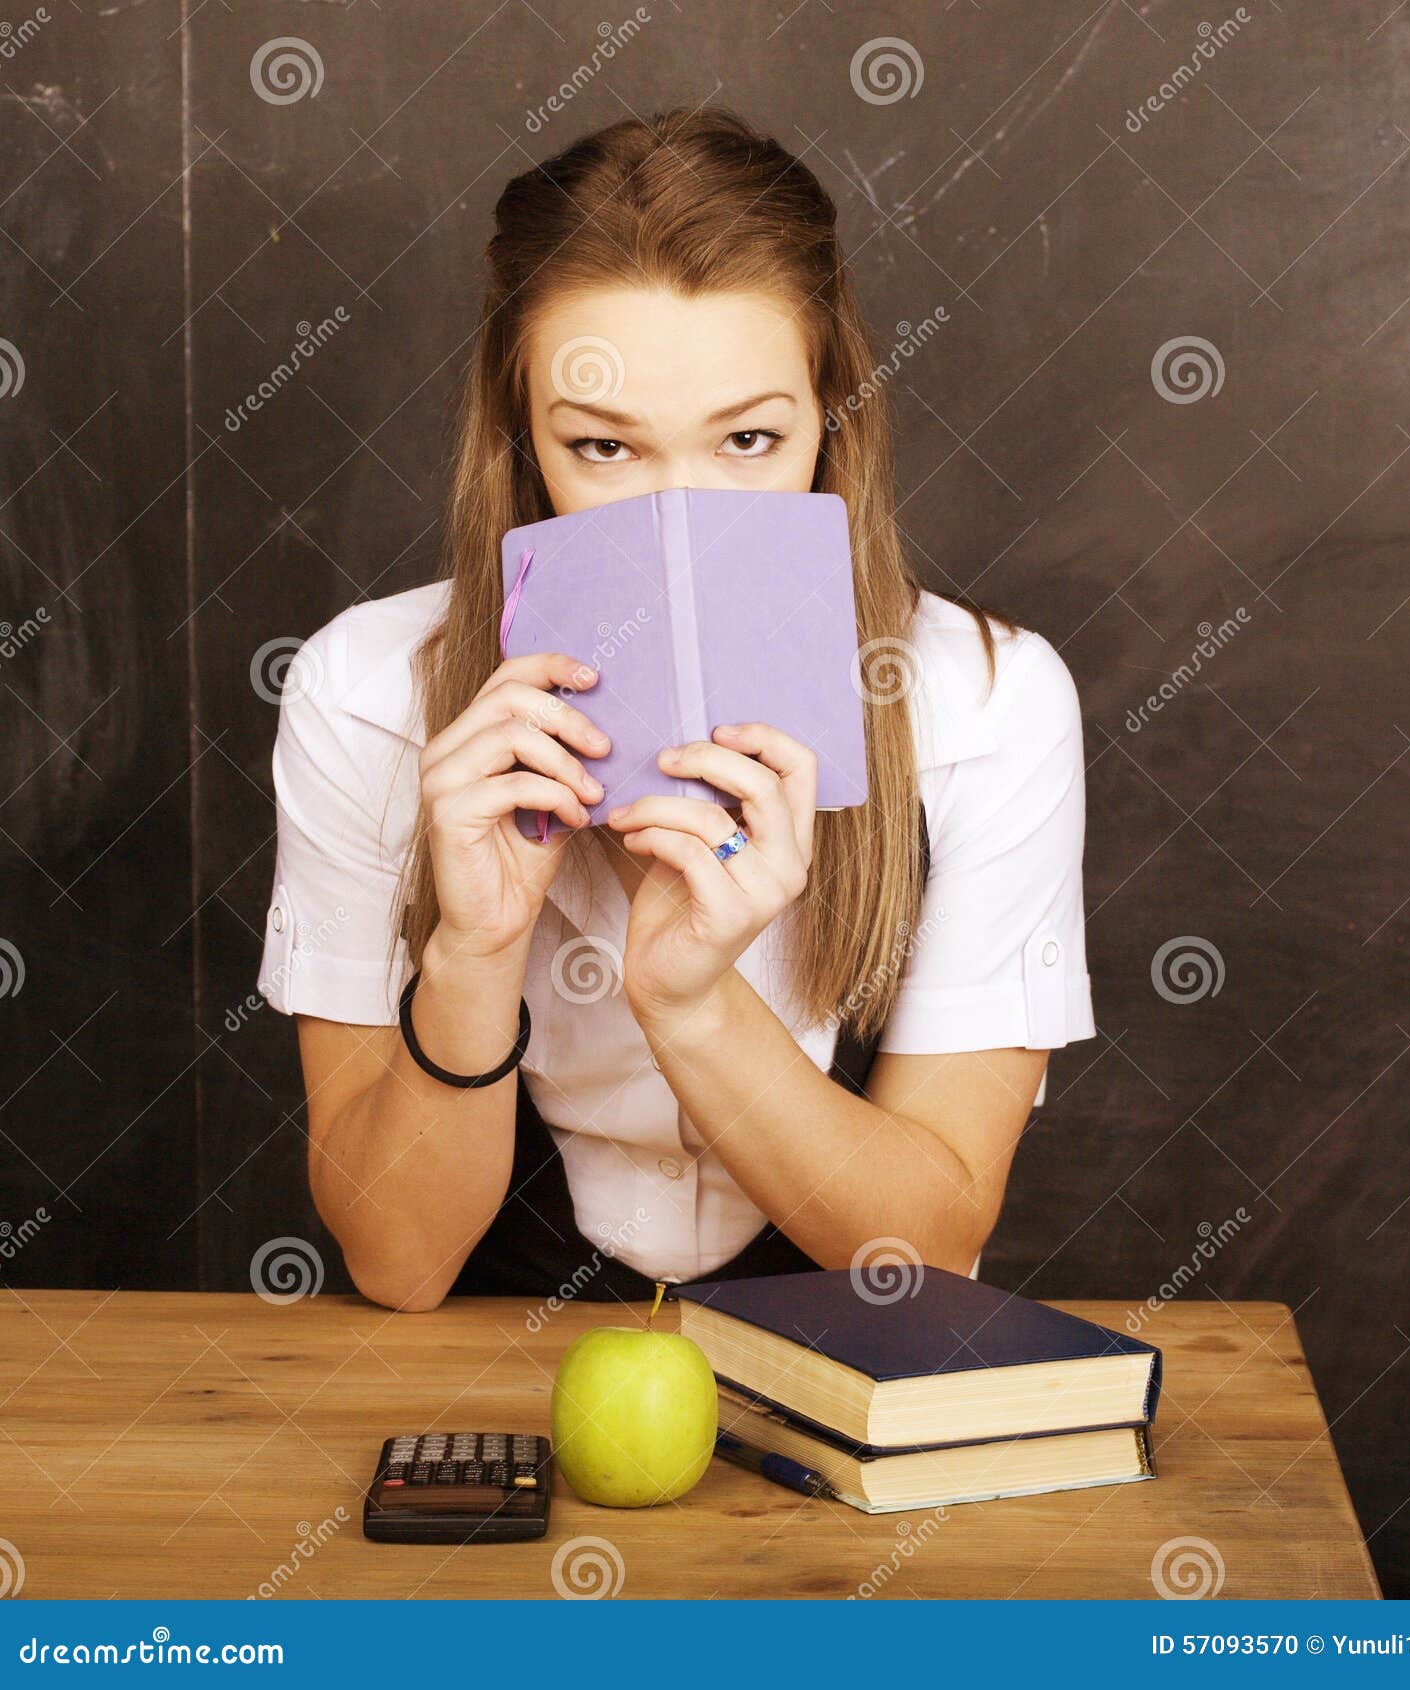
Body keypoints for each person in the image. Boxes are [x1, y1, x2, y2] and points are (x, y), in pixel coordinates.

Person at [256, 107, 1095, 1311]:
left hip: (834, 1393)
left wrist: (693, 1006)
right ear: (520, 441)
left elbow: (927, 1249)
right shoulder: (367, 697)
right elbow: (396, 1261)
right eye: (604, 445)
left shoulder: (986, 704)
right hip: (491, 1384)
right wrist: (475, 952)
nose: (679, 520)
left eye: (749, 438)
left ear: (829, 427)